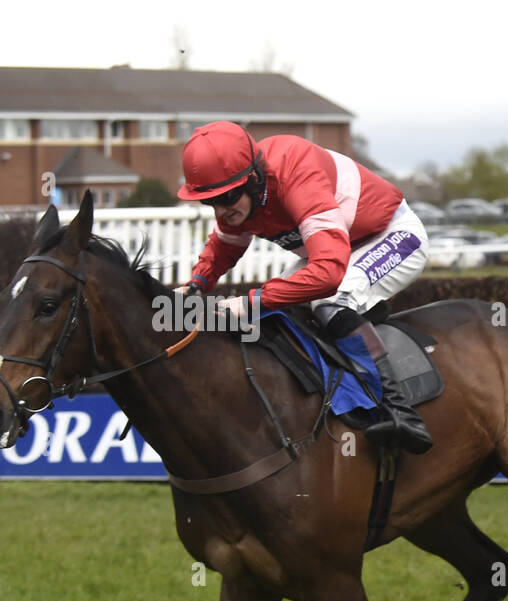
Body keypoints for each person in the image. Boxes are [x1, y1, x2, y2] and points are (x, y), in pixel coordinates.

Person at [177, 121, 433, 454]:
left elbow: (327, 272)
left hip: (390, 236)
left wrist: (253, 302)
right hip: (336, 248)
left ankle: (400, 411)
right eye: (210, 202)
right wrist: (197, 283)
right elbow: (224, 246)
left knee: (331, 305)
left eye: (227, 197)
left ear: (253, 179)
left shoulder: (296, 173)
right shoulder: (240, 193)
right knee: (287, 309)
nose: (222, 210)